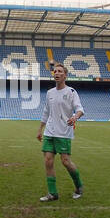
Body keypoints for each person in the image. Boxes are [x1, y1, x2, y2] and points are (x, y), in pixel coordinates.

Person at [37, 63, 84, 201]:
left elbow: (80, 109)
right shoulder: (50, 93)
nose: (56, 73)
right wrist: (40, 129)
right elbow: (46, 112)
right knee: (48, 161)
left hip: (63, 132)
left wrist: (75, 117)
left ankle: (79, 186)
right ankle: (53, 193)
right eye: (55, 71)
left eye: (59, 71)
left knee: (65, 161)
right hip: (49, 132)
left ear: (65, 75)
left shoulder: (71, 92)